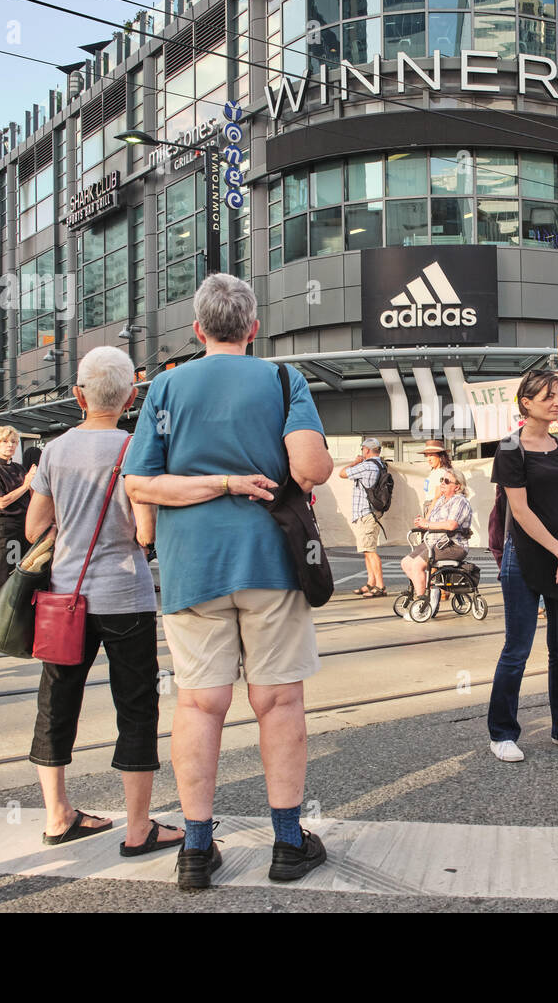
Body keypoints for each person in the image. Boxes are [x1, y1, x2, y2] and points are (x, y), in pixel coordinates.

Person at [124, 273, 333, 890]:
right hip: (271, 561)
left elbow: (140, 484)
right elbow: (309, 466)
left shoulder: (164, 385)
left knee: (197, 702)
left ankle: (195, 848)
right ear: (253, 328)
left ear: (197, 329)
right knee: (278, 700)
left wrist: (209, 483)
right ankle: (289, 843)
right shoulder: (282, 379)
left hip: (193, 566)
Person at [24, 347, 182, 856]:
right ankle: (138, 828)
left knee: (57, 702)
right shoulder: (136, 448)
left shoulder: (54, 450)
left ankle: (57, 816)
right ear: (130, 397)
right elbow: (144, 533)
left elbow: (32, 529)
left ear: (78, 396)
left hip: (66, 599)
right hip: (125, 598)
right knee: (136, 707)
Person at [487, 369, 558, 761]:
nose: (556, 401)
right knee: (517, 649)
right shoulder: (510, 448)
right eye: (547, 395)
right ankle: (502, 733)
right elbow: (520, 510)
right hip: (525, 557)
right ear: (525, 403)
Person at [399, 467, 473, 618]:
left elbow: (451, 525)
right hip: (435, 542)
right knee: (406, 562)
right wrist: (423, 520)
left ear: (457, 486)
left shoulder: (460, 501)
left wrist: (427, 525)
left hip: (453, 544)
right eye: (441, 480)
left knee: (417, 565)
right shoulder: (441, 500)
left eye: (446, 481)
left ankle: (423, 603)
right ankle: (432, 593)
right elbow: (429, 519)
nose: (442, 483)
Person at [0, 426, 33, 602]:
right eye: (4, 441)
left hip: (24, 524)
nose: (9, 445)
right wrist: (25, 486)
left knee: (24, 573)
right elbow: (1, 502)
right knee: (5, 573)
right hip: (4, 526)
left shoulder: (19, 468)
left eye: (13, 442)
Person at [339, 438, 387, 598]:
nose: (361, 453)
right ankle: (370, 583)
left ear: (367, 450)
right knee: (367, 550)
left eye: (362, 450)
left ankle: (380, 586)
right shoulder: (380, 465)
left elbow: (342, 473)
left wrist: (354, 462)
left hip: (366, 513)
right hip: (371, 512)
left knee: (371, 550)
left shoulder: (366, 466)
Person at [420, 440, 451, 514]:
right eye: (427, 456)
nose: (428, 459)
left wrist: (428, 515)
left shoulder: (441, 472)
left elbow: (438, 496)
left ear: (440, 456)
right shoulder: (434, 471)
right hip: (429, 505)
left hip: (435, 507)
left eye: (431, 455)